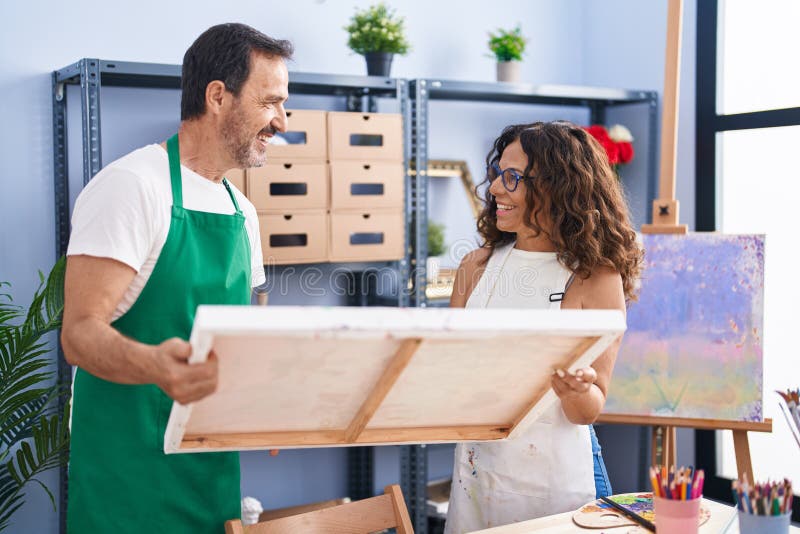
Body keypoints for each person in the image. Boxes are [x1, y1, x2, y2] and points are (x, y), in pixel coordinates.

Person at [61, 23, 292, 533]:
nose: (281, 121)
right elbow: (78, 334)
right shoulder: (131, 188)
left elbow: (247, 338)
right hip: (130, 480)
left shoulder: (243, 211)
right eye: (270, 102)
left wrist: (264, 400)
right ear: (217, 96)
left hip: (211, 476)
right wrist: (155, 365)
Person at [444, 121, 643, 533]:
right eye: (498, 174)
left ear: (556, 186)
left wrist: (578, 388)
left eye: (512, 178)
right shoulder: (475, 266)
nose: (495, 189)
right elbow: (450, 372)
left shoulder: (594, 278)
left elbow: (588, 410)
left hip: (555, 478)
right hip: (478, 472)